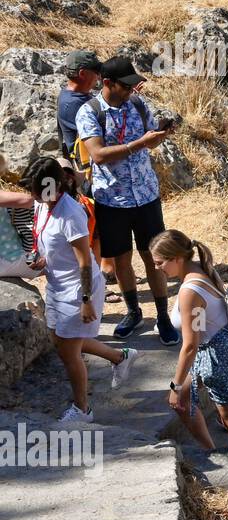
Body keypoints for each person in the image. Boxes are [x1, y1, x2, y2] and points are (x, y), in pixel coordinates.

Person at [0, 158, 137, 423]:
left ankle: (82, 409)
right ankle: (121, 357)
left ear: (51, 186)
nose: (31, 195)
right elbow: (51, 244)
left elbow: (85, 261)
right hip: (56, 285)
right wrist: (41, 260)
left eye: (35, 190)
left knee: (69, 352)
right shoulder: (43, 204)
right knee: (61, 339)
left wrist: (86, 301)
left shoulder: (71, 214)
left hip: (77, 290)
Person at [74, 56, 178, 343]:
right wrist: (139, 145)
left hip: (146, 195)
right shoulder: (89, 112)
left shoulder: (137, 104)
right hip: (112, 199)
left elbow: (150, 135)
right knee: (121, 259)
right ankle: (133, 312)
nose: (132, 89)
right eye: (126, 85)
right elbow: (97, 154)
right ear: (108, 83)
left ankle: (162, 316)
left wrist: (161, 134)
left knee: (154, 258)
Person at [150, 229, 228, 456]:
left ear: (177, 259)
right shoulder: (201, 272)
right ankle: (210, 450)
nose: (156, 268)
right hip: (216, 350)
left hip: (218, 356)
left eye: (159, 262)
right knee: (181, 402)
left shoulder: (189, 291)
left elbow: (190, 345)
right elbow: (200, 330)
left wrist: (176, 385)